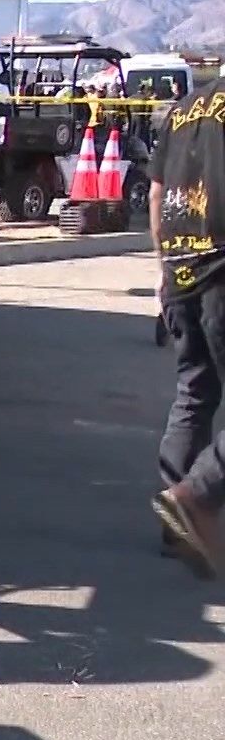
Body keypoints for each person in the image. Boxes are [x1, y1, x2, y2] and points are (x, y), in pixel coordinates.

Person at [150, 76, 225, 580]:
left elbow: (157, 196)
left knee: (194, 392)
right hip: (222, 266)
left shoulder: (182, 110)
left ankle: (179, 529)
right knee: (196, 392)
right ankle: (194, 495)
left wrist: (162, 266)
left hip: (180, 267)